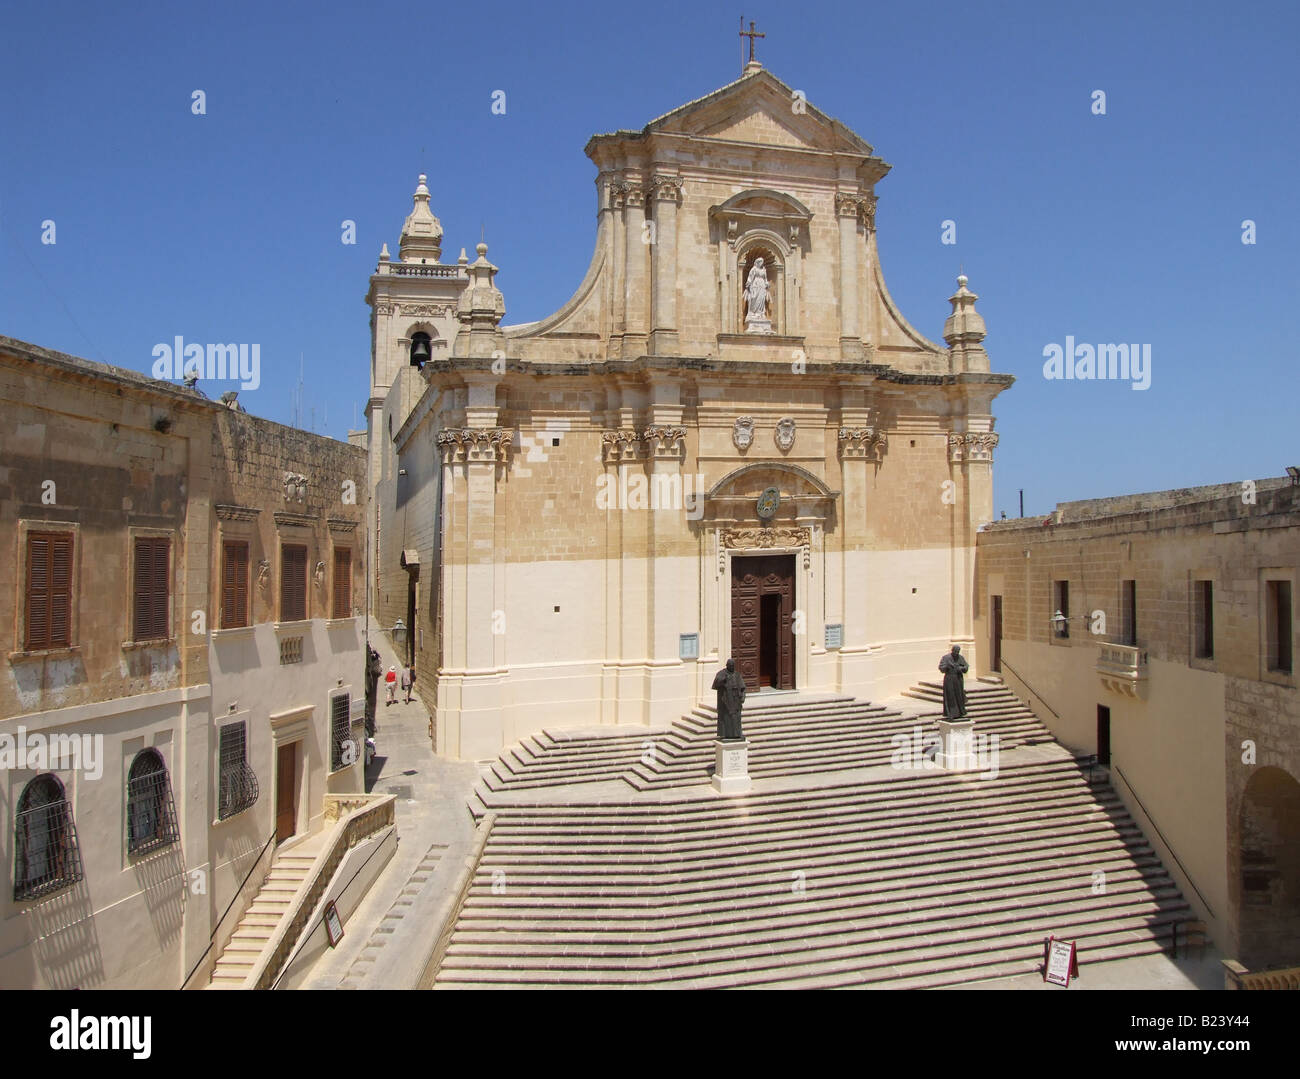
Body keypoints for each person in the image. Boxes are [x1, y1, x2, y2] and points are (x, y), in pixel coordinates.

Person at [711, 657, 747, 741]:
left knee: (736, 718)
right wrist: (723, 680)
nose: (732, 667)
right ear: (727, 665)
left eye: (733, 665)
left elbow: (743, 688)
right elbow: (716, 684)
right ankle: (725, 734)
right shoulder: (721, 673)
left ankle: (737, 734)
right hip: (726, 700)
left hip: (736, 700)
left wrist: (743, 696)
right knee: (726, 718)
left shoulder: (737, 675)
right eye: (730, 665)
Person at [939, 644, 969, 720]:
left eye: (958, 652)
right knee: (950, 696)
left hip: (958, 679)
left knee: (959, 695)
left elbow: (966, 667)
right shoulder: (946, 658)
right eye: (955, 651)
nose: (956, 653)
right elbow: (941, 667)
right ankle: (951, 713)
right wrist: (947, 667)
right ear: (952, 650)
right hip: (949, 679)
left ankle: (960, 712)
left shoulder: (960, 658)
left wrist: (961, 668)